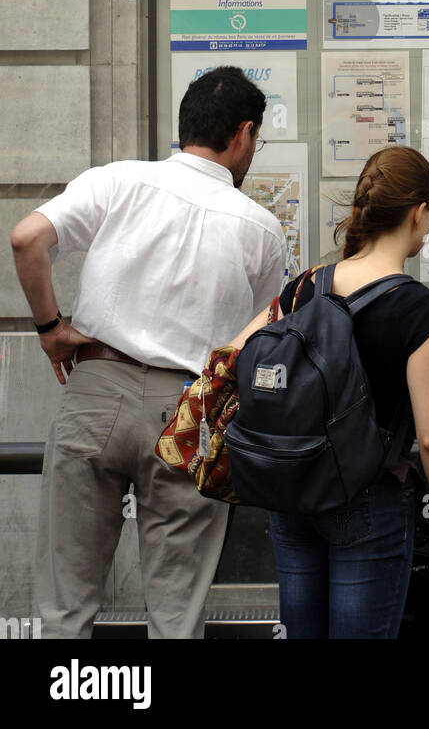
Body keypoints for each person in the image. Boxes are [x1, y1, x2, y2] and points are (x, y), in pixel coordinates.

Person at [11, 66, 287, 639]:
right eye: (255, 138)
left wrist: (49, 328)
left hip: (95, 387)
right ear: (241, 134)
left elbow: (27, 238)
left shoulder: (116, 181)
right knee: (176, 610)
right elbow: (258, 339)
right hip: (187, 411)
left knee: (66, 603)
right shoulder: (259, 228)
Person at [229, 144, 429, 639]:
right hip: (366, 498)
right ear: (419, 212)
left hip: (292, 490)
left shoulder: (305, 286)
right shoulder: (418, 309)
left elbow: (234, 354)